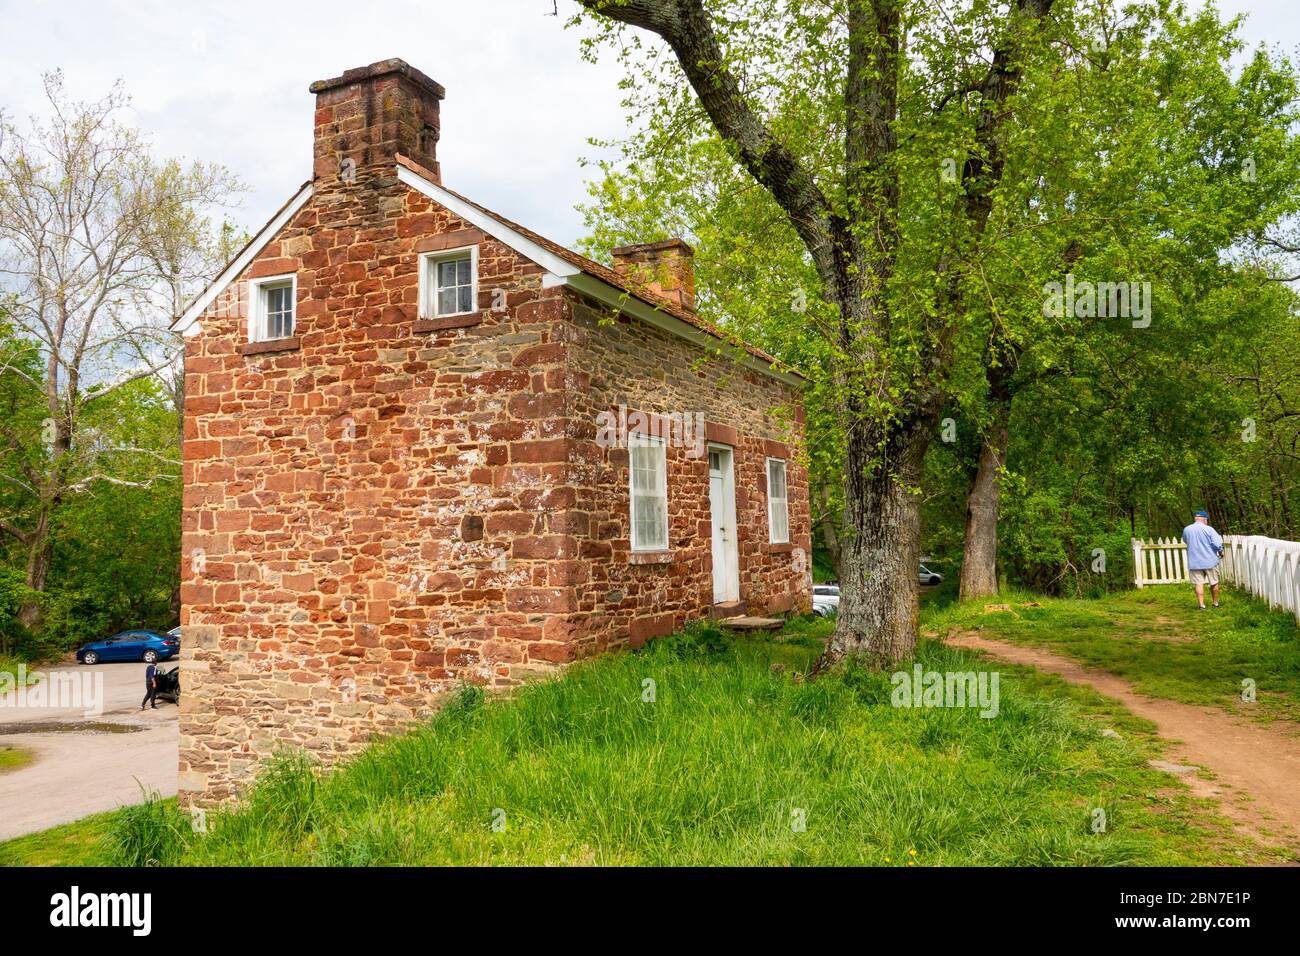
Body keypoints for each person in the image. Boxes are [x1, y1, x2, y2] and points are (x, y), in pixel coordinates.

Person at [1181, 510, 1224, 610]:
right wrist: (1221, 551)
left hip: (1195, 561)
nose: (1207, 522)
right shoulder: (1209, 529)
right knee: (1214, 582)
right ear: (1204, 519)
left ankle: (1201, 605)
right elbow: (1216, 543)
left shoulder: (1187, 529)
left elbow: (1185, 540)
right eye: (1207, 520)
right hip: (1210, 561)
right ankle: (1215, 603)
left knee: (1198, 583)